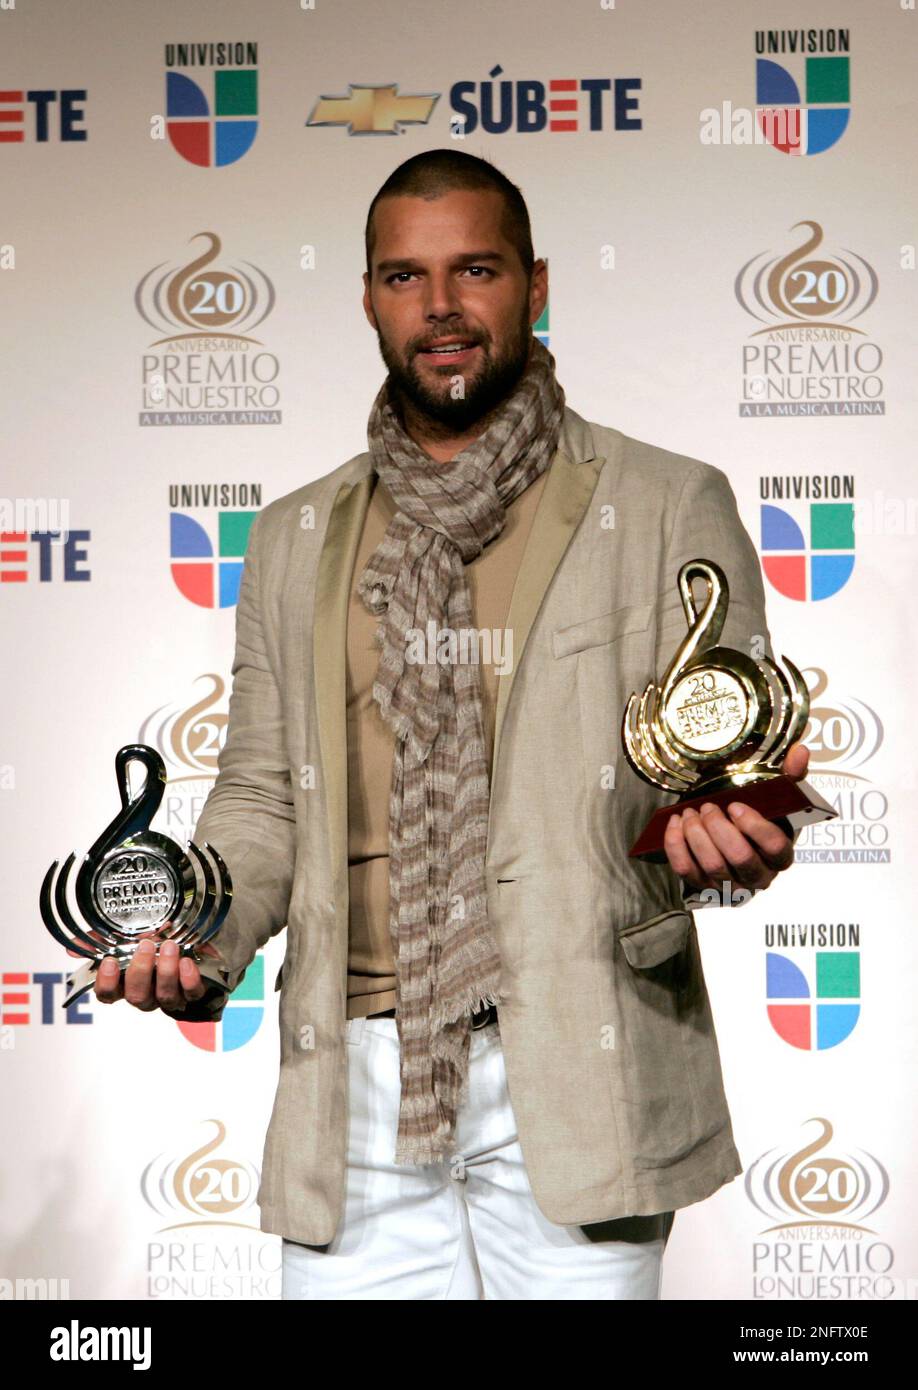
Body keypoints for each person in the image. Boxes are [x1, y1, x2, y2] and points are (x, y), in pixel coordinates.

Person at [91, 149, 807, 1300]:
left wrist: (742, 836)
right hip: (359, 1098)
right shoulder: (292, 537)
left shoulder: (669, 501)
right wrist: (200, 936)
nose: (441, 308)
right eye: (404, 277)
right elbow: (264, 795)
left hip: (581, 1070)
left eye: (474, 269)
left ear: (534, 284)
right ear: (369, 297)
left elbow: (732, 766)